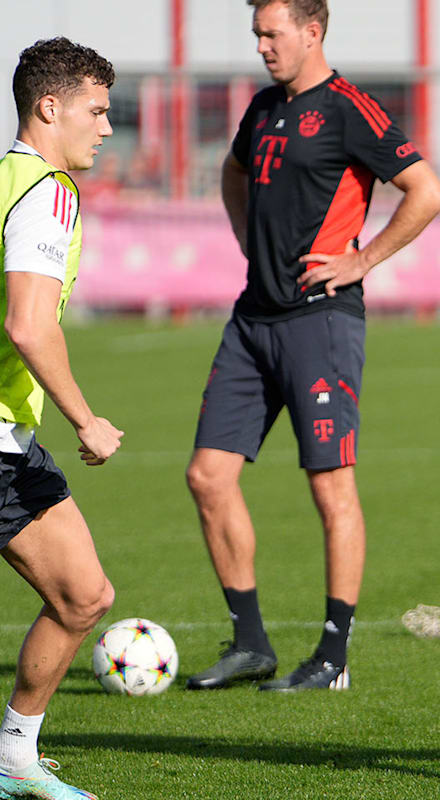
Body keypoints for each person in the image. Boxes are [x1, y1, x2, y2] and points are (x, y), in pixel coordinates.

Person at [185, 0, 440, 693]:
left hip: (320, 322)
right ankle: (251, 644)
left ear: (311, 32)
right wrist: (247, 238)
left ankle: (333, 656)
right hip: (252, 321)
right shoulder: (263, 107)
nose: (262, 47)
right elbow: (233, 173)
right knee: (208, 477)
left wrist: (363, 260)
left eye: (271, 34)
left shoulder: (349, 108)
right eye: (257, 35)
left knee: (331, 487)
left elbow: (426, 191)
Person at [0, 36, 122, 800]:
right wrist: (86, 420)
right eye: (97, 110)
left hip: (10, 440)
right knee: (84, 596)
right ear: (50, 107)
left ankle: (15, 758)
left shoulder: (5, 177)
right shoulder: (45, 191)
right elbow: (29, 325)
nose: (106, 128)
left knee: (85, 595)